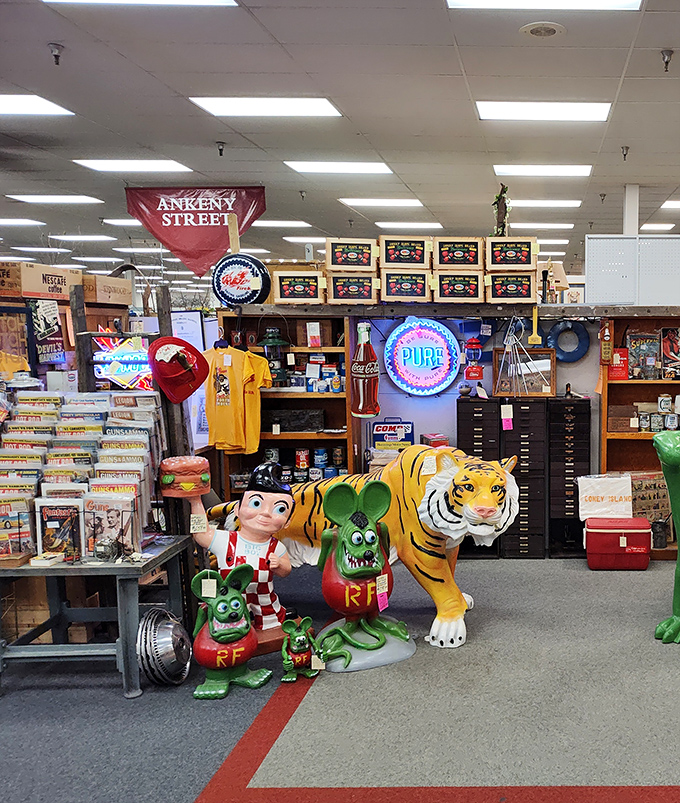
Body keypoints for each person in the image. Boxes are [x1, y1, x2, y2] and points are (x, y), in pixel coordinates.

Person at [191, 463, 293, 630]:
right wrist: (195, 502)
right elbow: (200, 534)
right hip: (231, 599)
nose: (265, 513)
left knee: (271, 624)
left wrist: (280, 565)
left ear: (287, 522)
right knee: (231, 625)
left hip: (264, 598)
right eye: (256, 504)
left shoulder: (276, 547)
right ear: (237, 510)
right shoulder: (226, 540)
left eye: (279, 509)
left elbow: (286, 571)